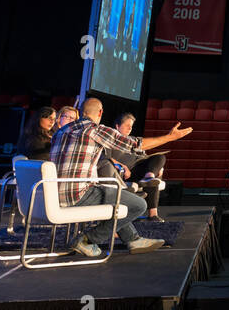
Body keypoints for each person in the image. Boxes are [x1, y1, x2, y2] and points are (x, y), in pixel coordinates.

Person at [49, 97, 192, 257]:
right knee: (138, 205)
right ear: (101, 112)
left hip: (52, 196)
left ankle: (133, 239)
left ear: (81, 112)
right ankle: (87, 240)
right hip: (78, 195)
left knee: (116, 198)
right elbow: (136, 145)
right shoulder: (95, 129)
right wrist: (170, 137)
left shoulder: (60, 132)